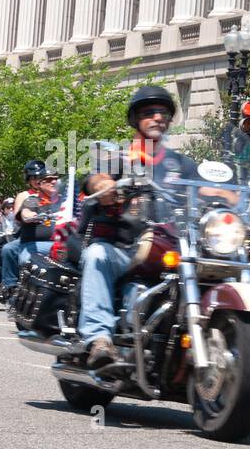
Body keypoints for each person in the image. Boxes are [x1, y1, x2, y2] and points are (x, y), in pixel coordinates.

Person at [76, 85, 195, 367]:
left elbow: (209, 190)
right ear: (135, 119)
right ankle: (99, 338)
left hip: (170, 249)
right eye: (149, 113)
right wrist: (103, 185)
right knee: (97, 255)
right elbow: (95, 178)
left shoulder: (181, 164)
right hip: (125, 248)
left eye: (163, 112)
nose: (158, 117)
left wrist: (239, 197)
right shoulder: (120, 157)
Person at [0, 160, 67, 296]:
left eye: (56, 179)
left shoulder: (64, 200)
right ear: (41, 183)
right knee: (16, 253)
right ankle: (12, 286)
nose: (54, 182)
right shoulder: (31, 199)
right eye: (49, 179)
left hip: (60, 243)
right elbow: (25, 213)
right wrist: (31, 216)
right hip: (33, 242)